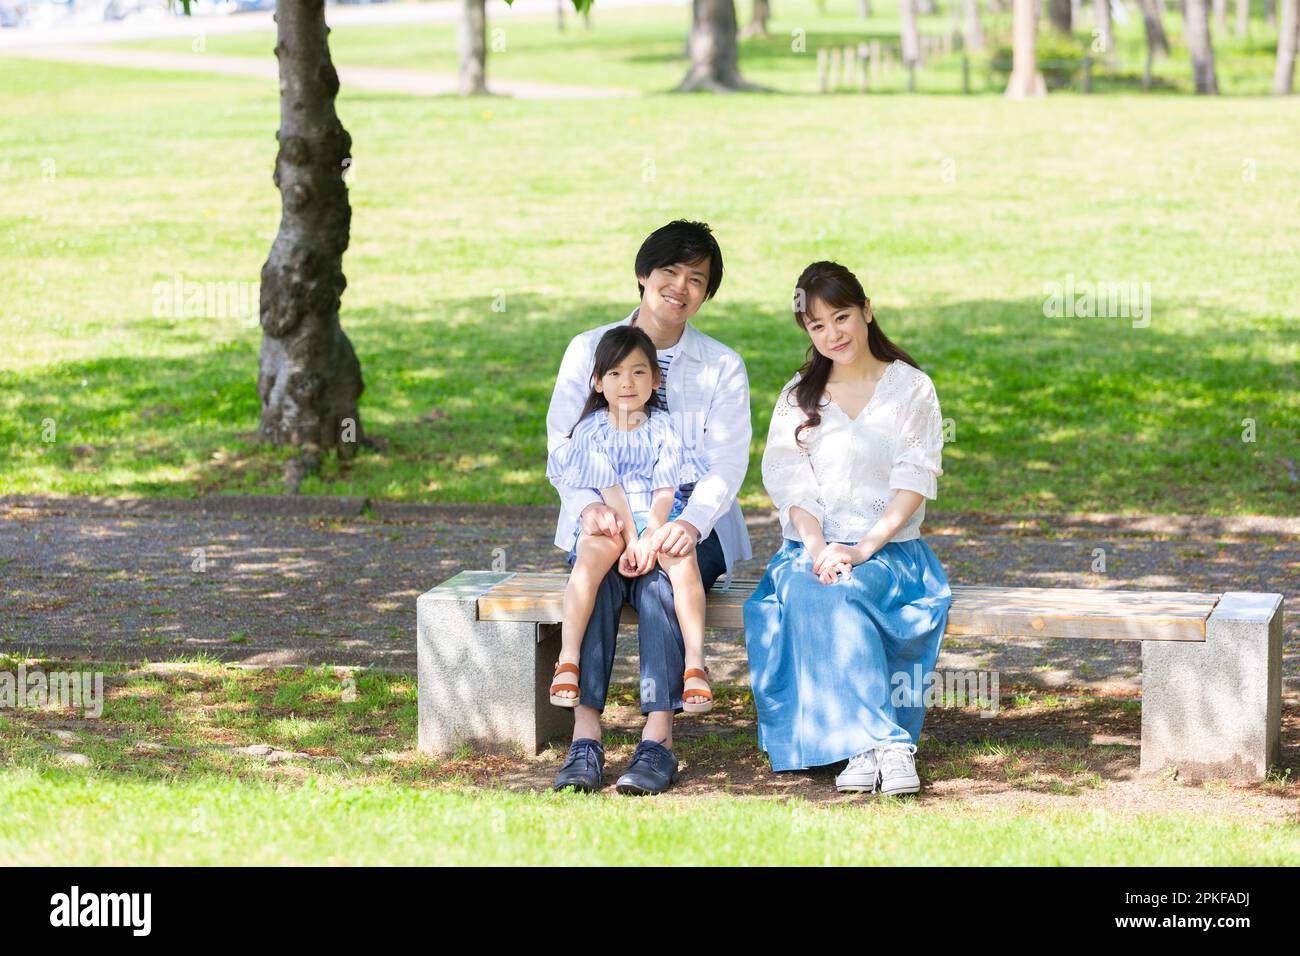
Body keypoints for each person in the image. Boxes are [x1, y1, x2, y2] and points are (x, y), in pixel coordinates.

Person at [545, 220, 752, 795]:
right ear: (643, 275)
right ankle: (586, 737)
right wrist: (589, 508)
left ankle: (656, 740)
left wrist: (686, 524)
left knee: (662, 583)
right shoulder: (590, 348)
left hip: (690, 521)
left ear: (706, 293)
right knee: (602, 576)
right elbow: (563, 444)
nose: (680, 288)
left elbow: (727, 463)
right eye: (669, 272)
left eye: (697, 279)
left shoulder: (720, 365)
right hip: (605, 515)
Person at [743, 260, 953, 796]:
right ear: (807, 332)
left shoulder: (911, 388)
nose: (833, 333)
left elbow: (914, 478)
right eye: (817, 325)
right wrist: (819, 549)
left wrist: (860, 549)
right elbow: (792, 486)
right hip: (810, 548)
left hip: (889, 550)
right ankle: (878, 743)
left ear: (866, 310)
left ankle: (866, 742)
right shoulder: (799, 396)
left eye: (842, 316)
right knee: (818, 587)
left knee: (847, 589)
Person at [545, 325, 713, 720]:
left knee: (682, 562)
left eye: (638, 372)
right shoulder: (590, 432)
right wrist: (632, 538)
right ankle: (568, 659)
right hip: (610, 516)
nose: (627, 383)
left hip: (656, 516)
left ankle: (695, 664)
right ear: (598, 383)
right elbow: (611, 491)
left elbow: (666, 491)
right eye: (615, 374)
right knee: (589, 561)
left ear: (656, 379)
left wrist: (652, 534)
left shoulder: (664, 427)